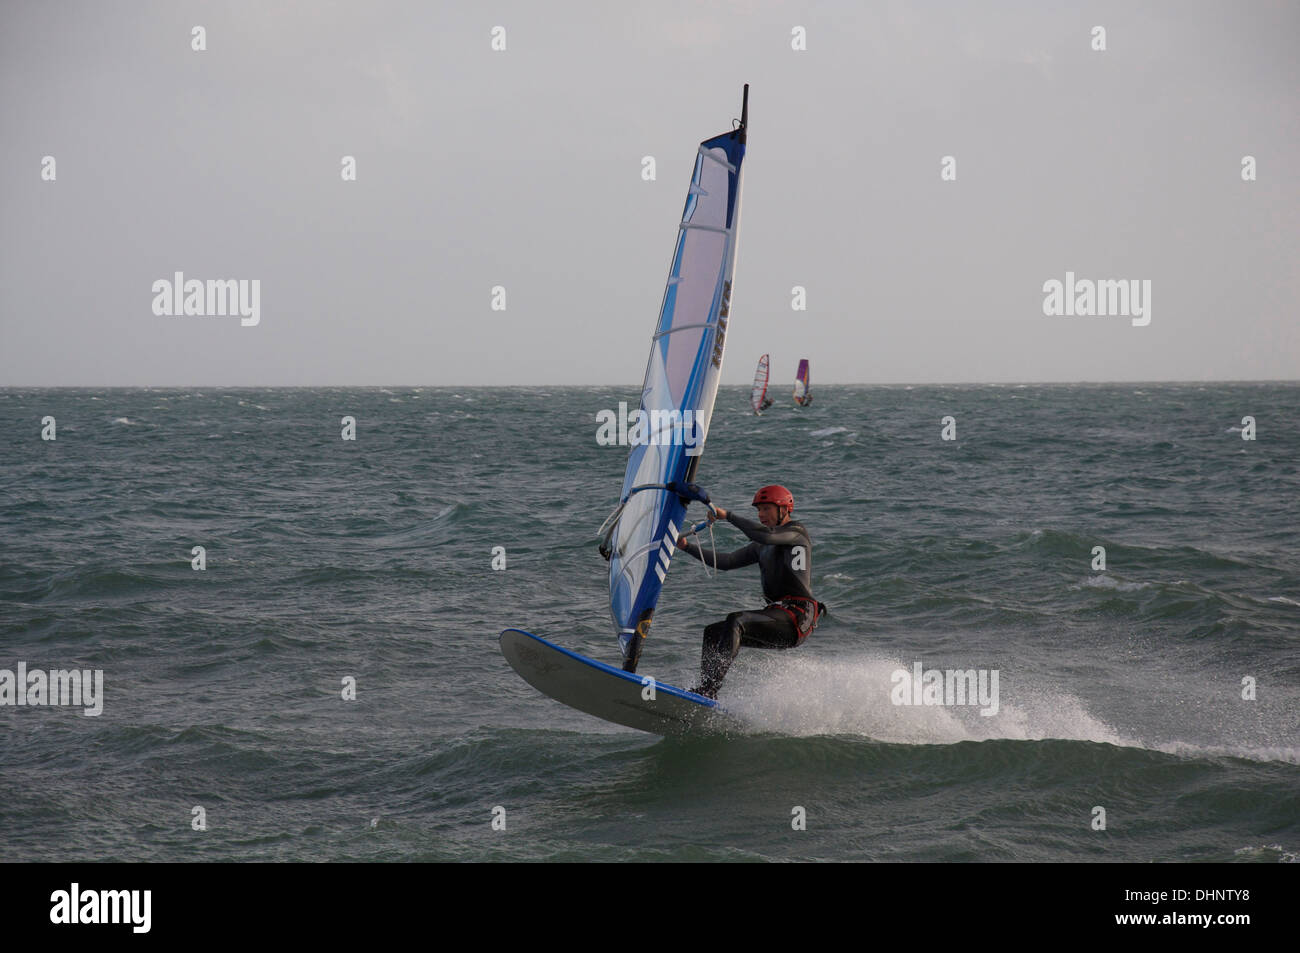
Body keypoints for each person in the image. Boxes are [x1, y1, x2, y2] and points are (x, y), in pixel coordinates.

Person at [676, 485, 824, 698]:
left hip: (798, 616)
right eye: (758, 510)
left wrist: (728, 516)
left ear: (783, 509)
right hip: (777, 613)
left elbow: (767, 535)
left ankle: (710, 690)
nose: (761, 515)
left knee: (736, 621)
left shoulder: (796, 532)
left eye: (766, 509)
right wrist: (686, 547)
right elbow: (726, 562)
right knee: (713, 632)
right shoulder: (761, 547)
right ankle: (705, 690)